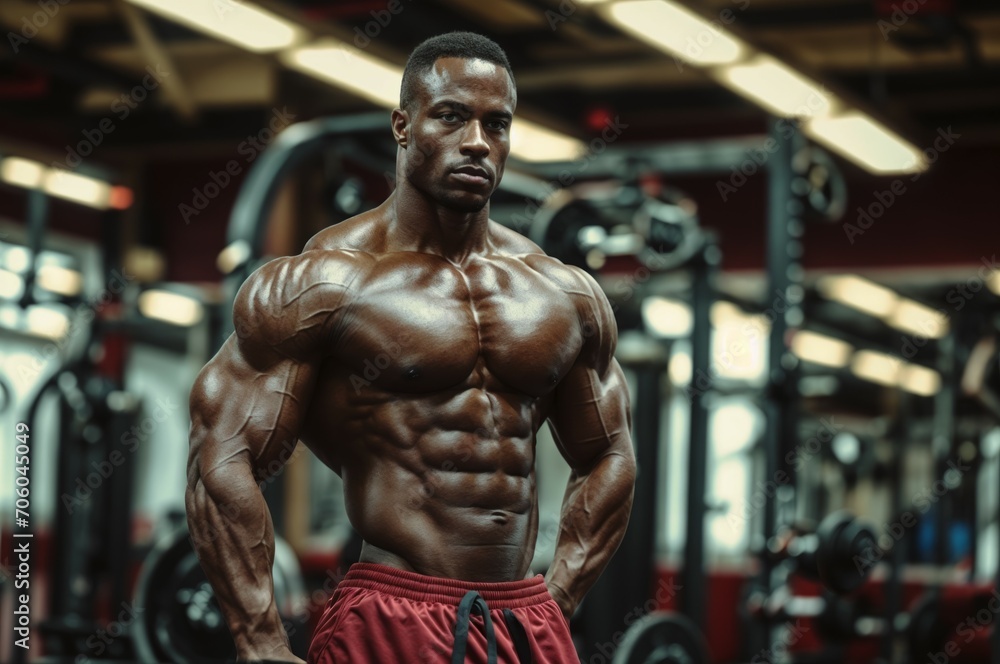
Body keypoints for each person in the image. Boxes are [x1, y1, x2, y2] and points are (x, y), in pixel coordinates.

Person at [186, 31, 636, 664]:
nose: (477, 141)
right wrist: (260, 642)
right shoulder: (326, 282)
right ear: (403, 125)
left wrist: (556, 598)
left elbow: (609, 453)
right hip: (393, 610)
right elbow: (221, 454)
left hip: (523, 619)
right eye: (451, 116)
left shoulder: (563, 293)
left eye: (496, 124)